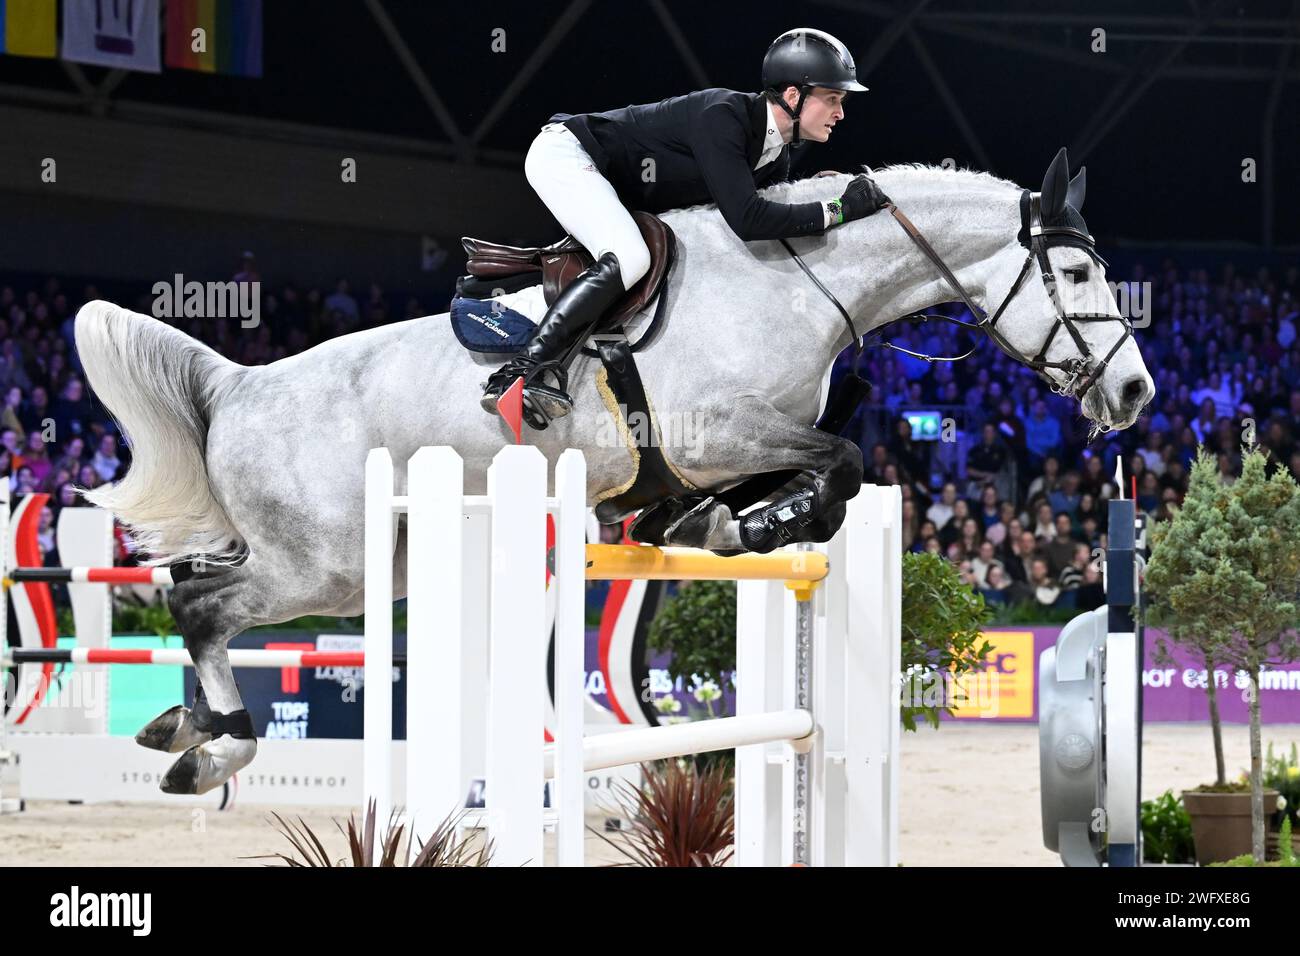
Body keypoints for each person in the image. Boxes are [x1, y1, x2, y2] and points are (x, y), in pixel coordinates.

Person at [479, 28, 891, 428]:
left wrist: (822, 196)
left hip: (615, 186)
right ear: (792, 95)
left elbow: (766, 221)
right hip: (566, 154)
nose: (840, 113)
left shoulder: (775, 157)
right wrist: (839, 208)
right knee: (630, 257)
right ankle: (519, 373)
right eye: (833, 98)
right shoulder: (724, 115)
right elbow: (748, 220)